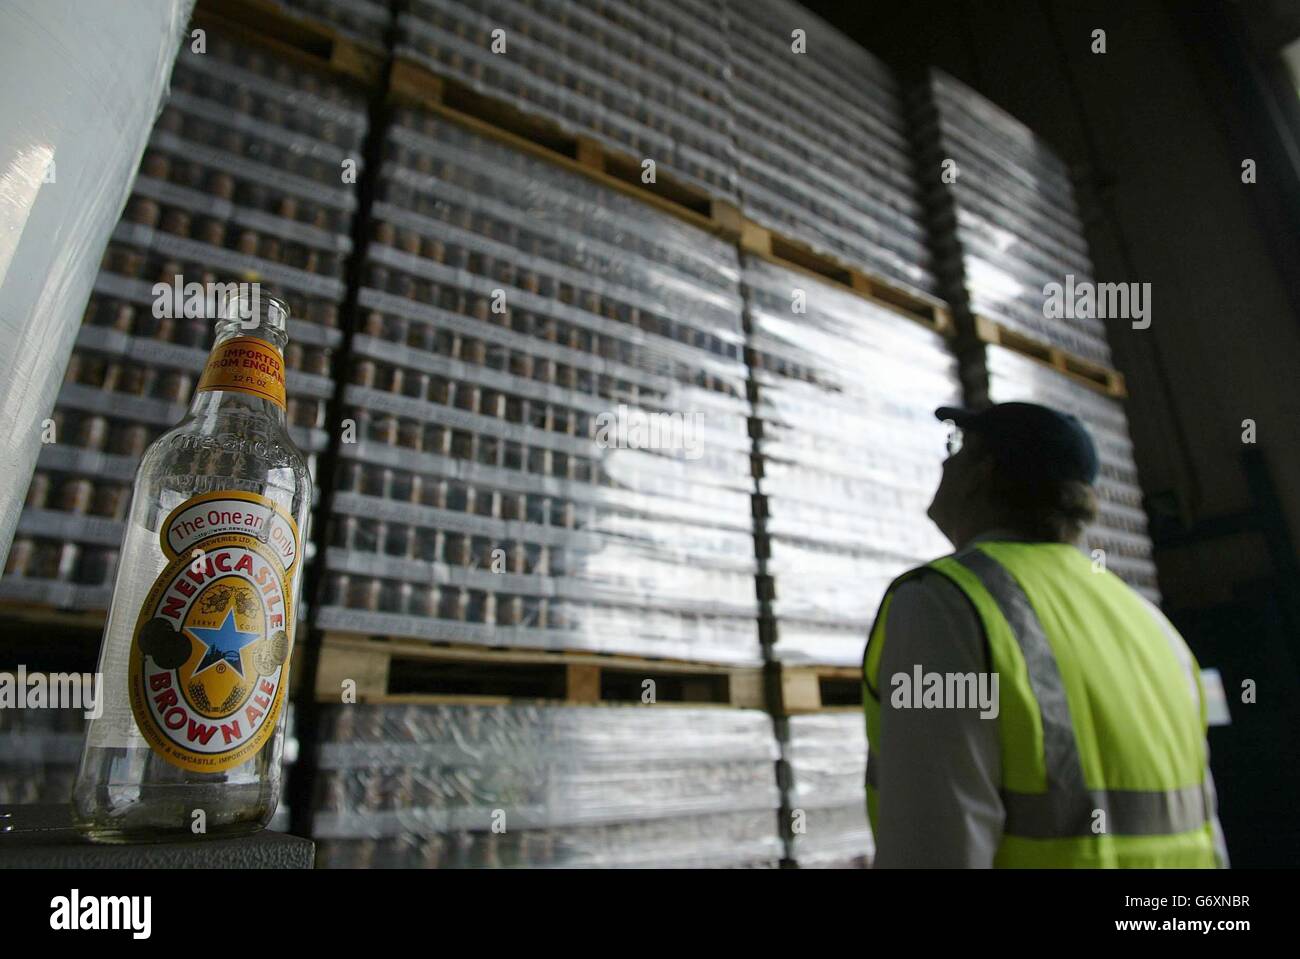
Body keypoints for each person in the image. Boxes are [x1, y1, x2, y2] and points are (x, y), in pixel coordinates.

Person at [862, 402, 1228, 868]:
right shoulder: (1152, 624)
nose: (943, 462)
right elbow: (1209, 830)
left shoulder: (946, 605)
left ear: (982, 472)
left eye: (955, 448)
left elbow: (936, 840)